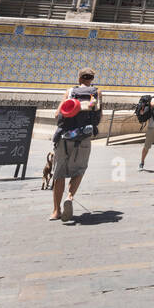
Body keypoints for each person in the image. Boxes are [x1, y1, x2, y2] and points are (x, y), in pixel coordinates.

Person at [50, 67, 102, 222]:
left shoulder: (70, 92)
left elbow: (57, 114)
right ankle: (70, 197)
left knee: (59, 172)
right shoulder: (97, 93)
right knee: (79, 169)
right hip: (83, 138)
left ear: (79, 78)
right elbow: (99, 115)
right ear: (91, 79)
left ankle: (56, 210)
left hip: (65, 137)